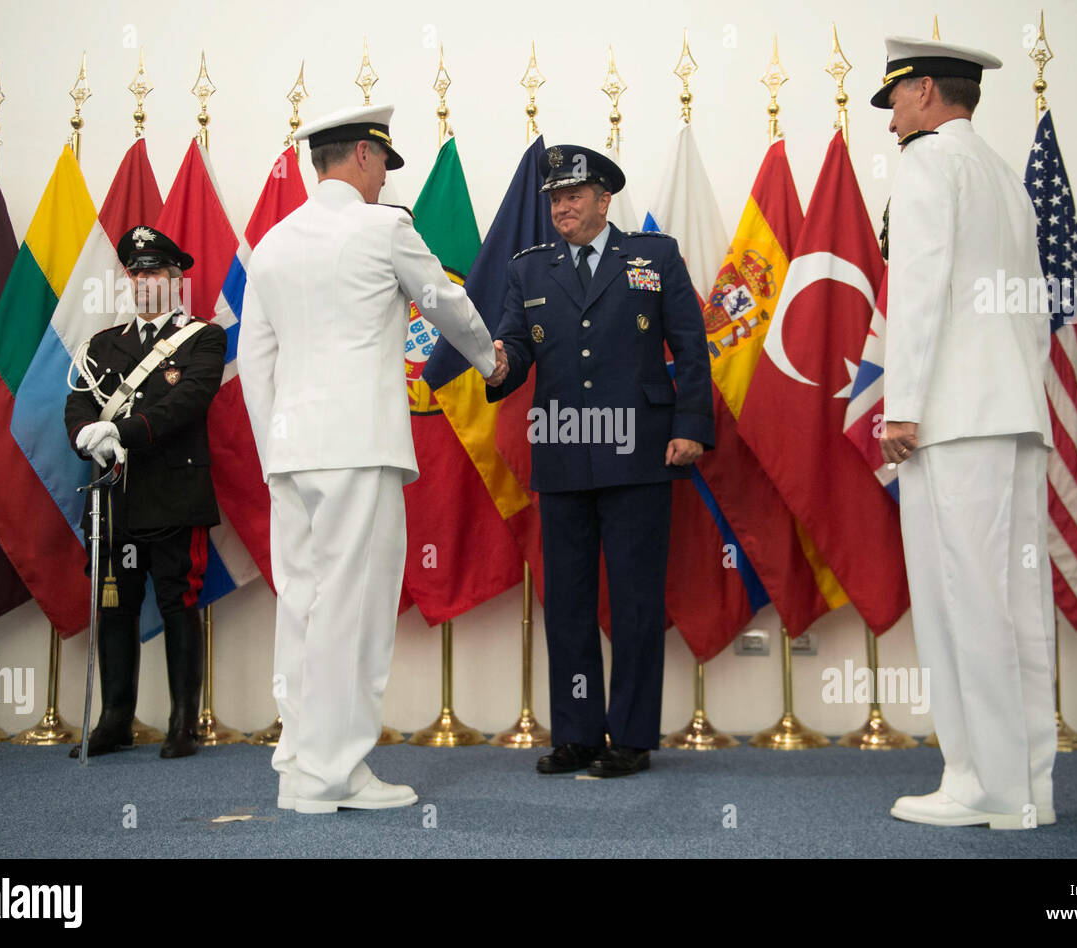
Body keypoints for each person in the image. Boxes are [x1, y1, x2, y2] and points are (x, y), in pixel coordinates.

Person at [237, 104, 507, 814]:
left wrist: (276, 451)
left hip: (293, 454)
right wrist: (489, 357)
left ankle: (299, 763)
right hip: (359, 447)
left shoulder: (270, 245)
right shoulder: (384, 227)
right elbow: (445, 301)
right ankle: (337, 776)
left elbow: (254, 361)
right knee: (353, 611)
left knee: (301, 605)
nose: (386, 176)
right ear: (361, 154)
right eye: (384, 161)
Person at [873, 37, 1058, 829]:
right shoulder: (1003, 175)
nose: (889, 123)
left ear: (922, 92)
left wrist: (903, 403)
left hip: (951, 416)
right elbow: (1034, 301)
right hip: (1012, 410)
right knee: (1015, 605)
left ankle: (979, 782)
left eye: (895, 103)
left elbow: (917, 291)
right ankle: (1029, 789)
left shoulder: (927, 166)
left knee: (961, 599)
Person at [491, 145, 714, 778]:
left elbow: (691, 347)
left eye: (573, 196)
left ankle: (633, 736)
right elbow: (512, 346)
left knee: (638, 602)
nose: (561, 206)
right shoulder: (529, 271)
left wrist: (692, 426)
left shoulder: (654, 257)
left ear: (603, 200)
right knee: (567, 603)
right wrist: (495, 362)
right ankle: (579, 734)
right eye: (554, 198)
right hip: (563, 451)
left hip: (641, 450)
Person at [65, 225, 227, 760]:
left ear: (175, 279)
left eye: (155, 271)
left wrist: (122, 431)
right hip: (115, 498)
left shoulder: (204, 338)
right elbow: (78, 405)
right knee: (114, 604)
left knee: (178, 602)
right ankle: (115, 719)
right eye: (135, 272)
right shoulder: (100, 344)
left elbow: (186, 406)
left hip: (173, 496)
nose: (143, 281)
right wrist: (87, 436)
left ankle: (184, 722)